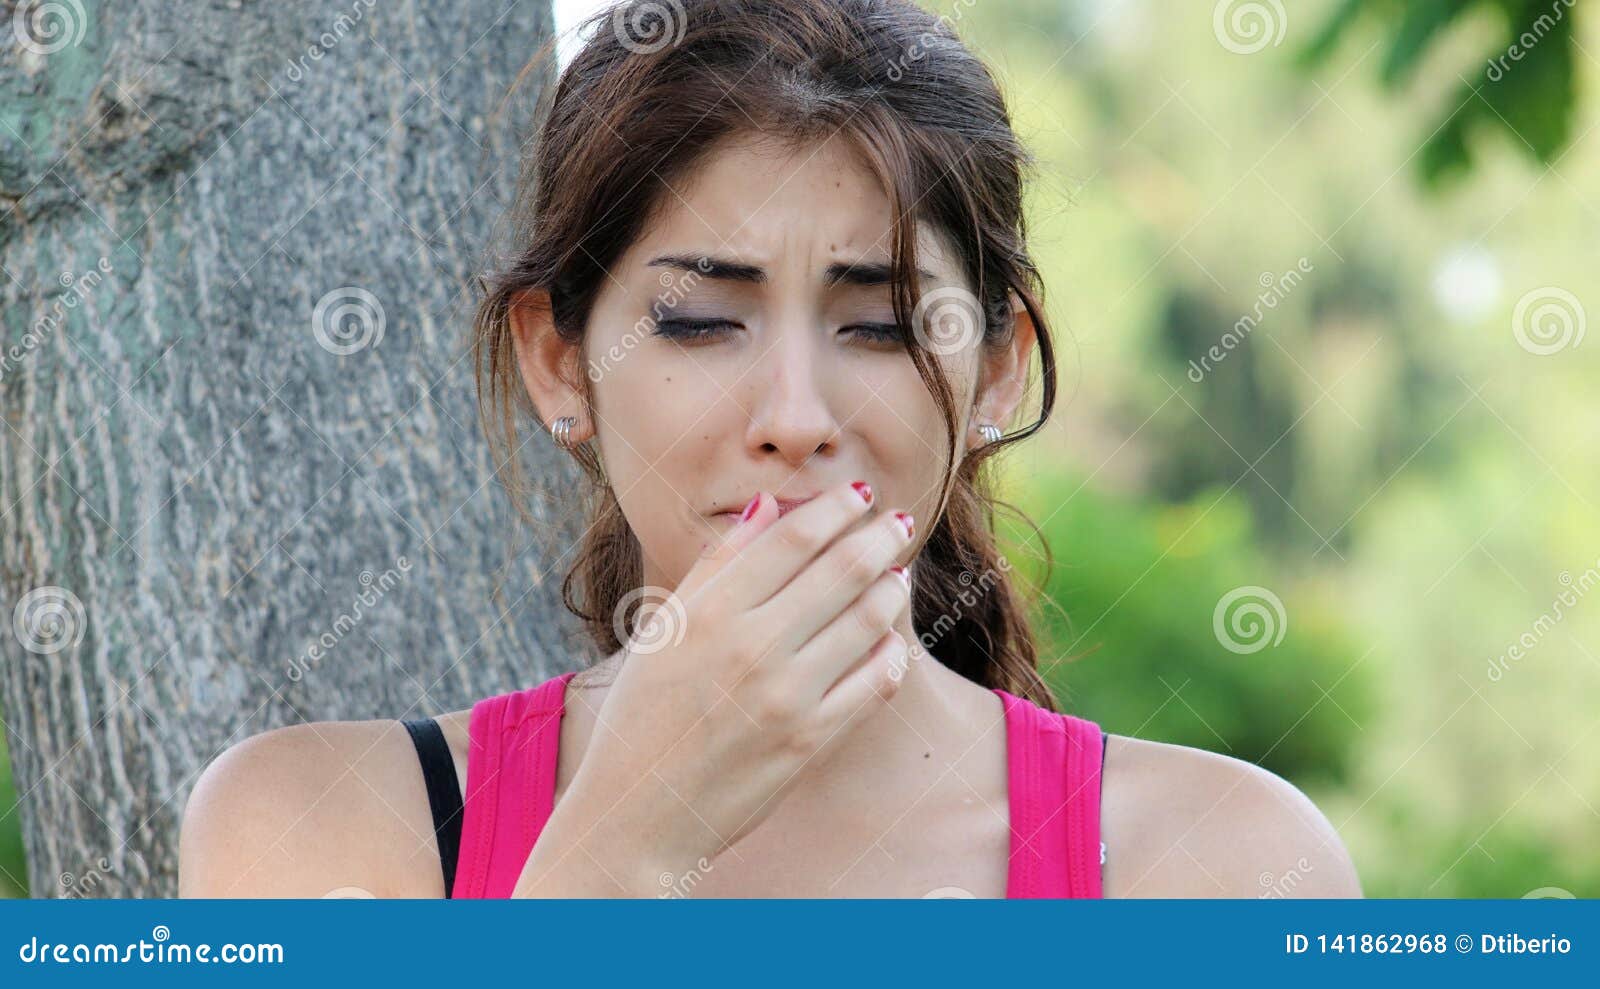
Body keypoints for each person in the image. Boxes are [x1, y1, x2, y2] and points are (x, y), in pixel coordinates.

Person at [179, 0, 1362, 899]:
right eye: (698, 319)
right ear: (557, 362)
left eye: (883, 321)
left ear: (994, 366)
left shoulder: (1218, 860)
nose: (794, 414)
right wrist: (633, 828)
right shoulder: (317, 828)